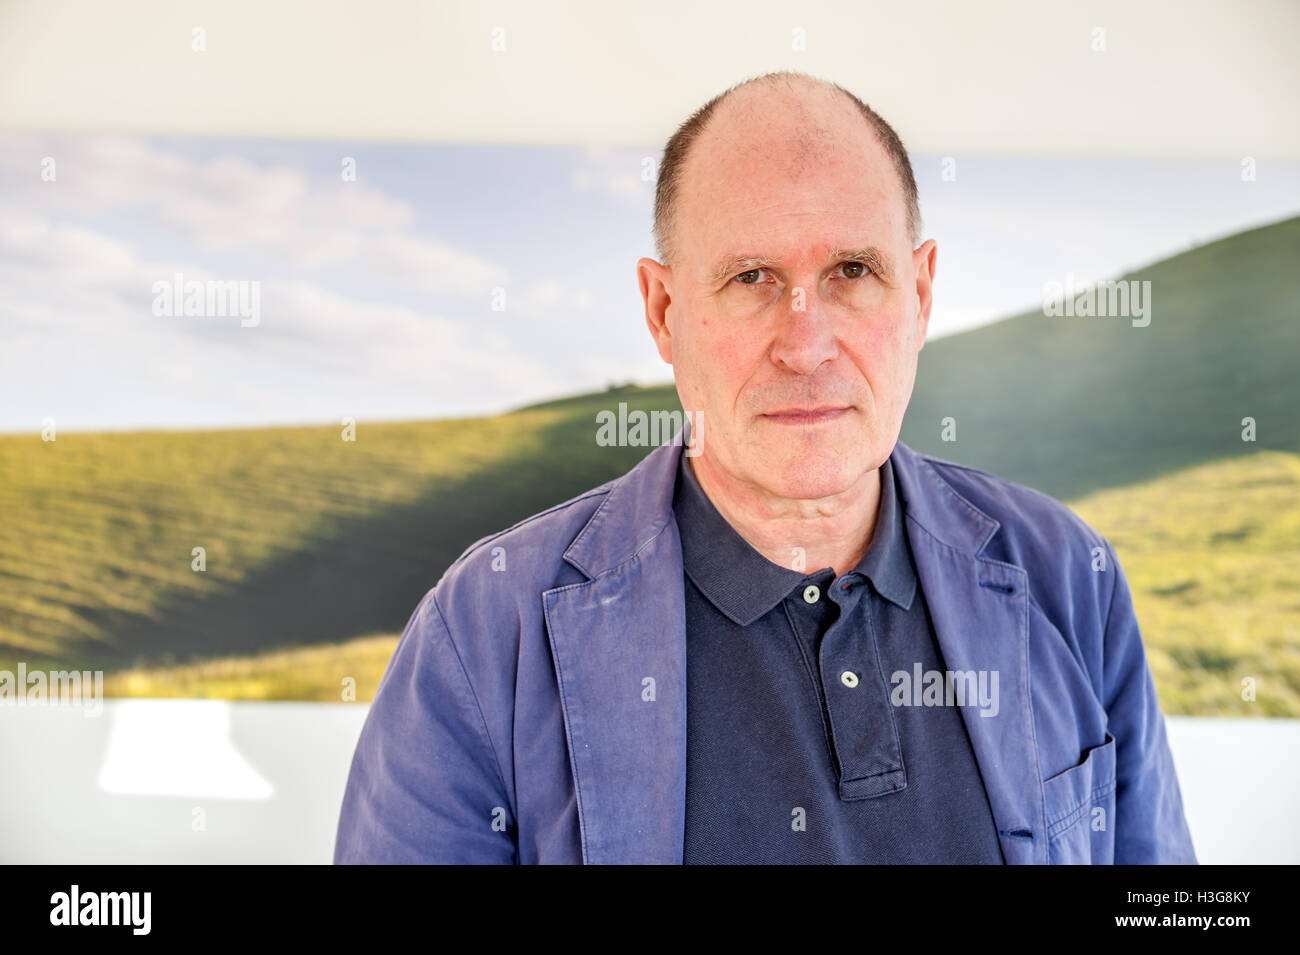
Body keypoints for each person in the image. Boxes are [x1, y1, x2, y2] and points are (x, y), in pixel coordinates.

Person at [334, 70, 1196, 864]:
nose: (806, 342)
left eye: (853, 270)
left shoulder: (1067, 574)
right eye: (752, 277)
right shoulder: (483, 633)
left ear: (921, 295)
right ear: (664, 311)